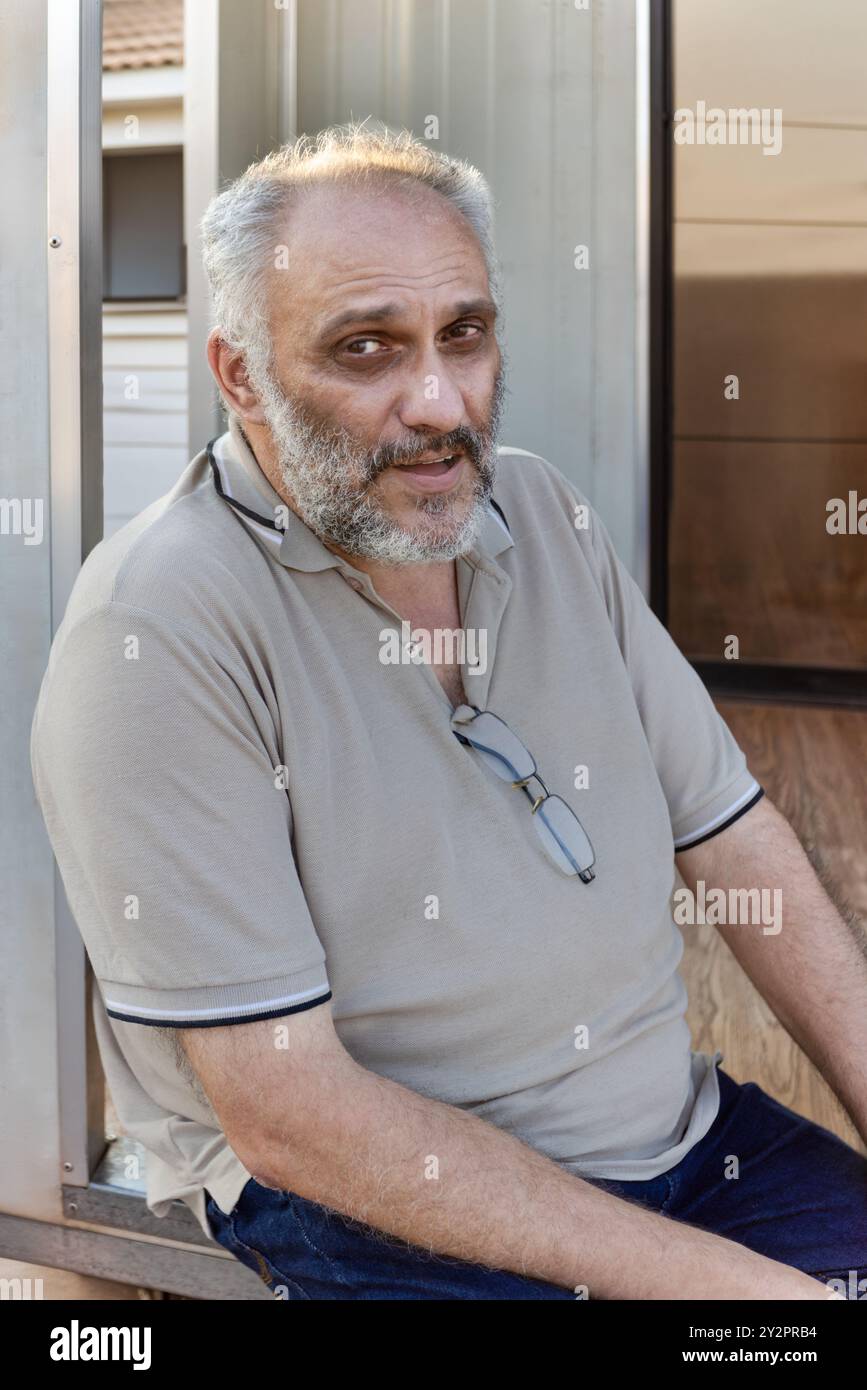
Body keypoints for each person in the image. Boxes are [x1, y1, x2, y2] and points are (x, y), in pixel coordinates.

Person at [30, 122, 867, 1300]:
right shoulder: (157, 627)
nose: (438, 400)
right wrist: (728, 1293)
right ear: (239, 375)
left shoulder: (543, 509)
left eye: (461, 335)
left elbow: (738, 841)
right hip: (380, 1213)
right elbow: (290, 1115)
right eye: (366, 348)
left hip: (682, 1150)